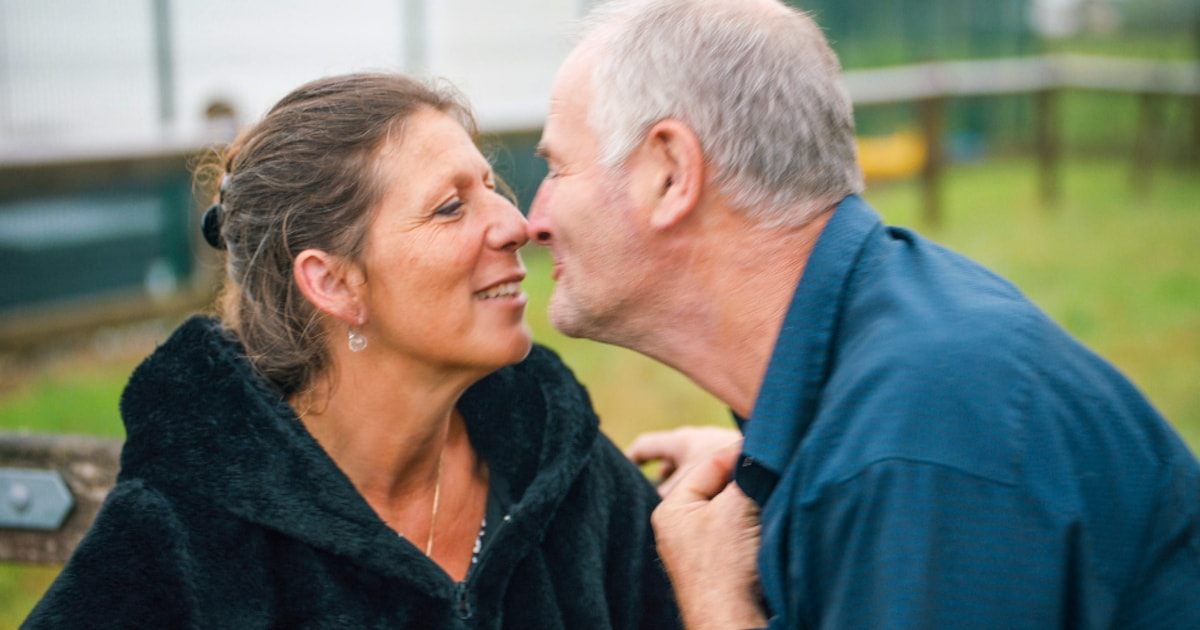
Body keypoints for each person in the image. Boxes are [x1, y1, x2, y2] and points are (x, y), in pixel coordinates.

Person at [526, 0, 1200, 628]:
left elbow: (915, 465)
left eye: (557, 170)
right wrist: (776, 469)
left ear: (670, 173)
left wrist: (714, 598)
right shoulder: (890, 386)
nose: (535, 222)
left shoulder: (920, 454)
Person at [24, 73, 680, 629]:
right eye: (452, 207)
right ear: (334, 282)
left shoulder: (558, 461)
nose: (514, 224)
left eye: (490, 186)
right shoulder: (178, 541)